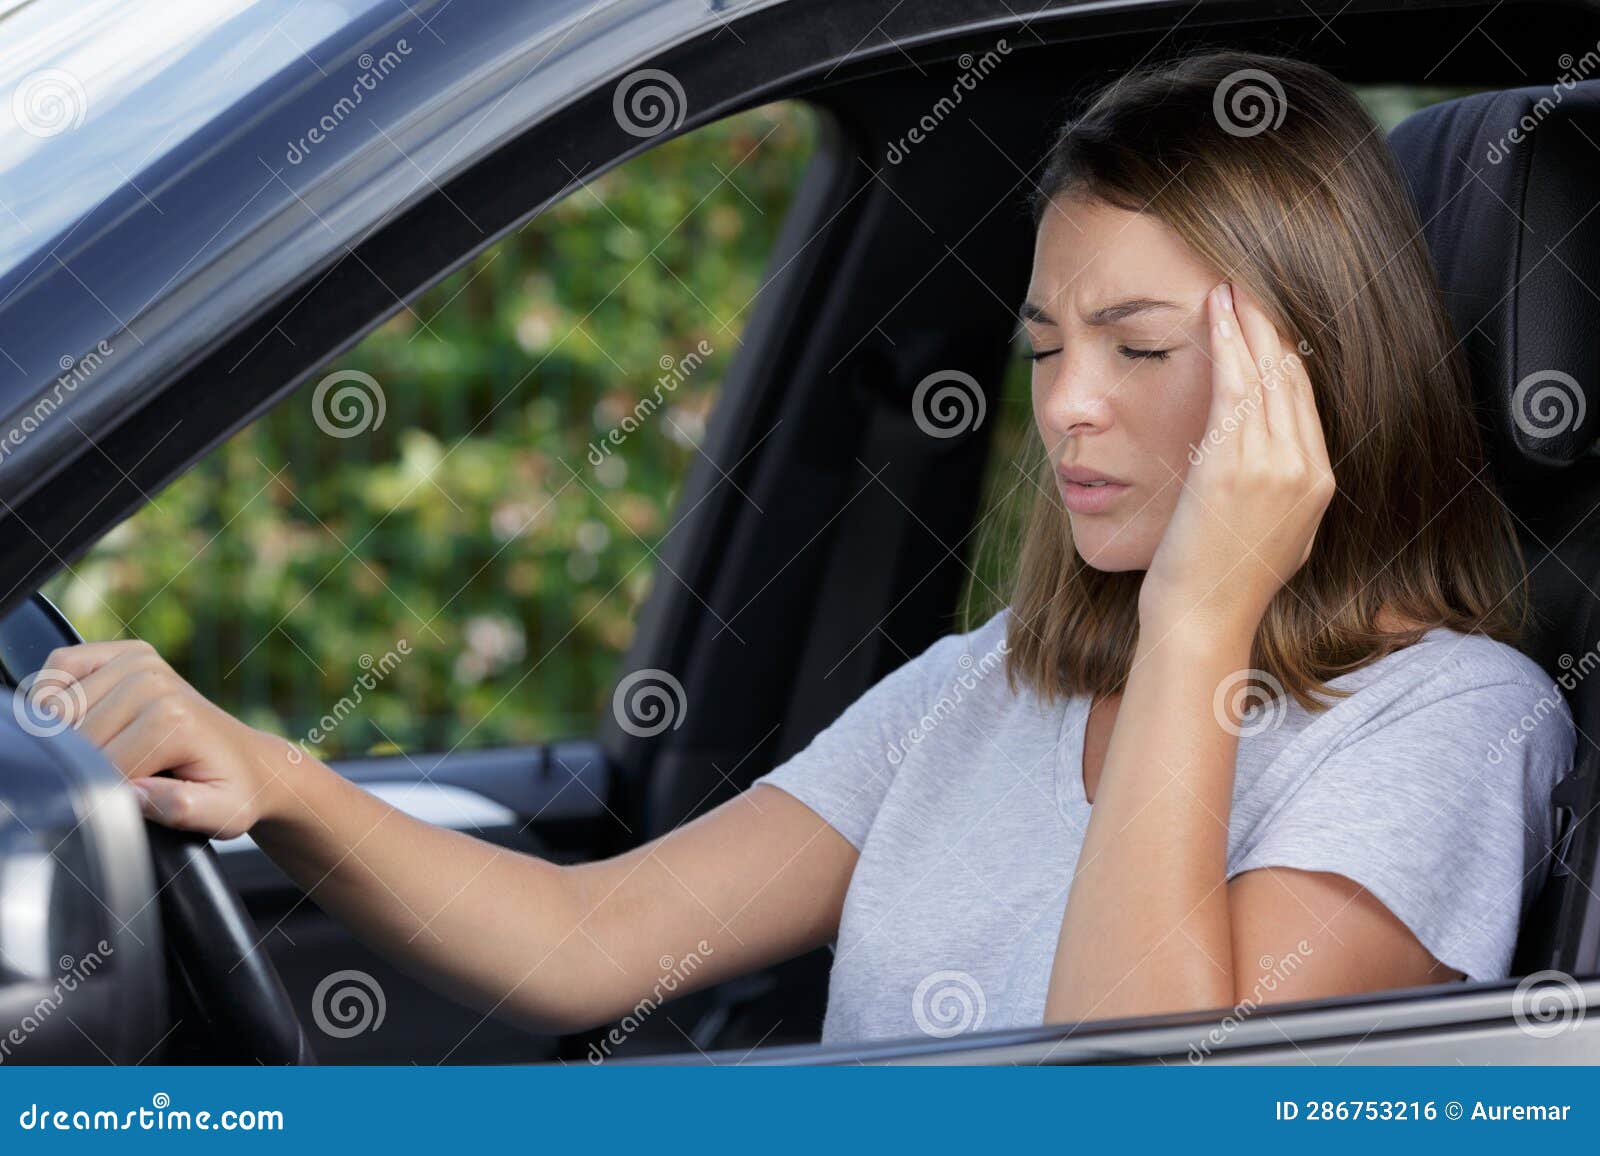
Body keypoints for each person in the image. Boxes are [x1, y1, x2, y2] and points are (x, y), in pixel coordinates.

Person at [40, 50, 1574, 1046]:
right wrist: (278, 782)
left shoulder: (1449, 726)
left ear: (1311, 383)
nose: (1066, 412)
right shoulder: (994, 686)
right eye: (1044, 350)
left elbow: (1136, 1106)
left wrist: (1200, 622)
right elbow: (597, 937)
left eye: (1139, 347)